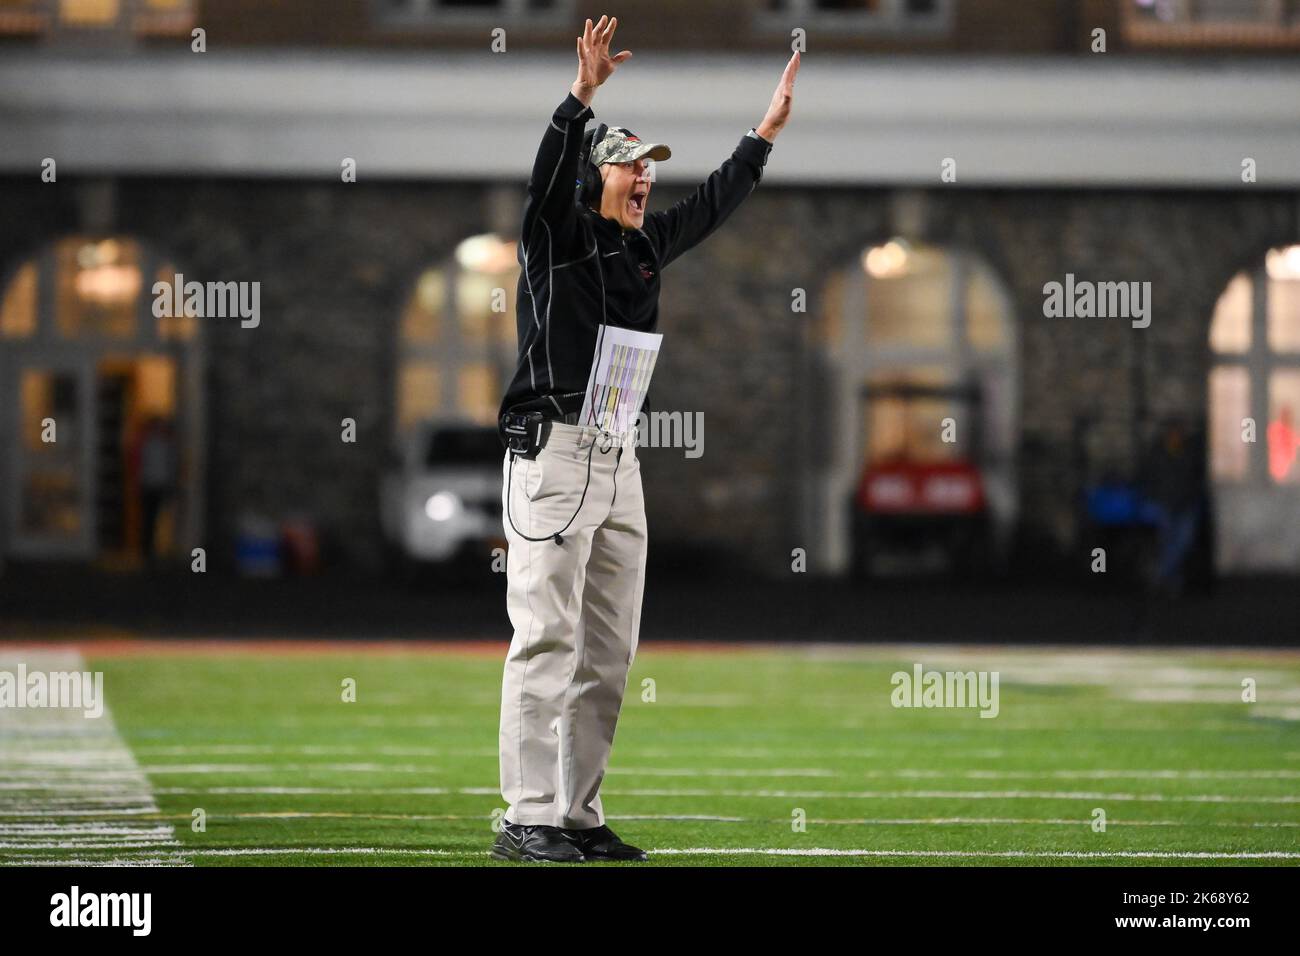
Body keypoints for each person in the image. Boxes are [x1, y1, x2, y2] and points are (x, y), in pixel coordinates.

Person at [492, 16, 798, 863]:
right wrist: (581, 95)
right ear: (594, 174)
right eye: (630, 165)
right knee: (546, 638)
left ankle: (578, 815)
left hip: (616, 459)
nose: (643, 180)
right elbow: (545, 178)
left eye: (646, 168)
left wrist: (761, 138)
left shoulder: (643, 247)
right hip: (551, 451)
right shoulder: (554, 239)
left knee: (608, 652)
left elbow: (711, 206)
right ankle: (527, 816)